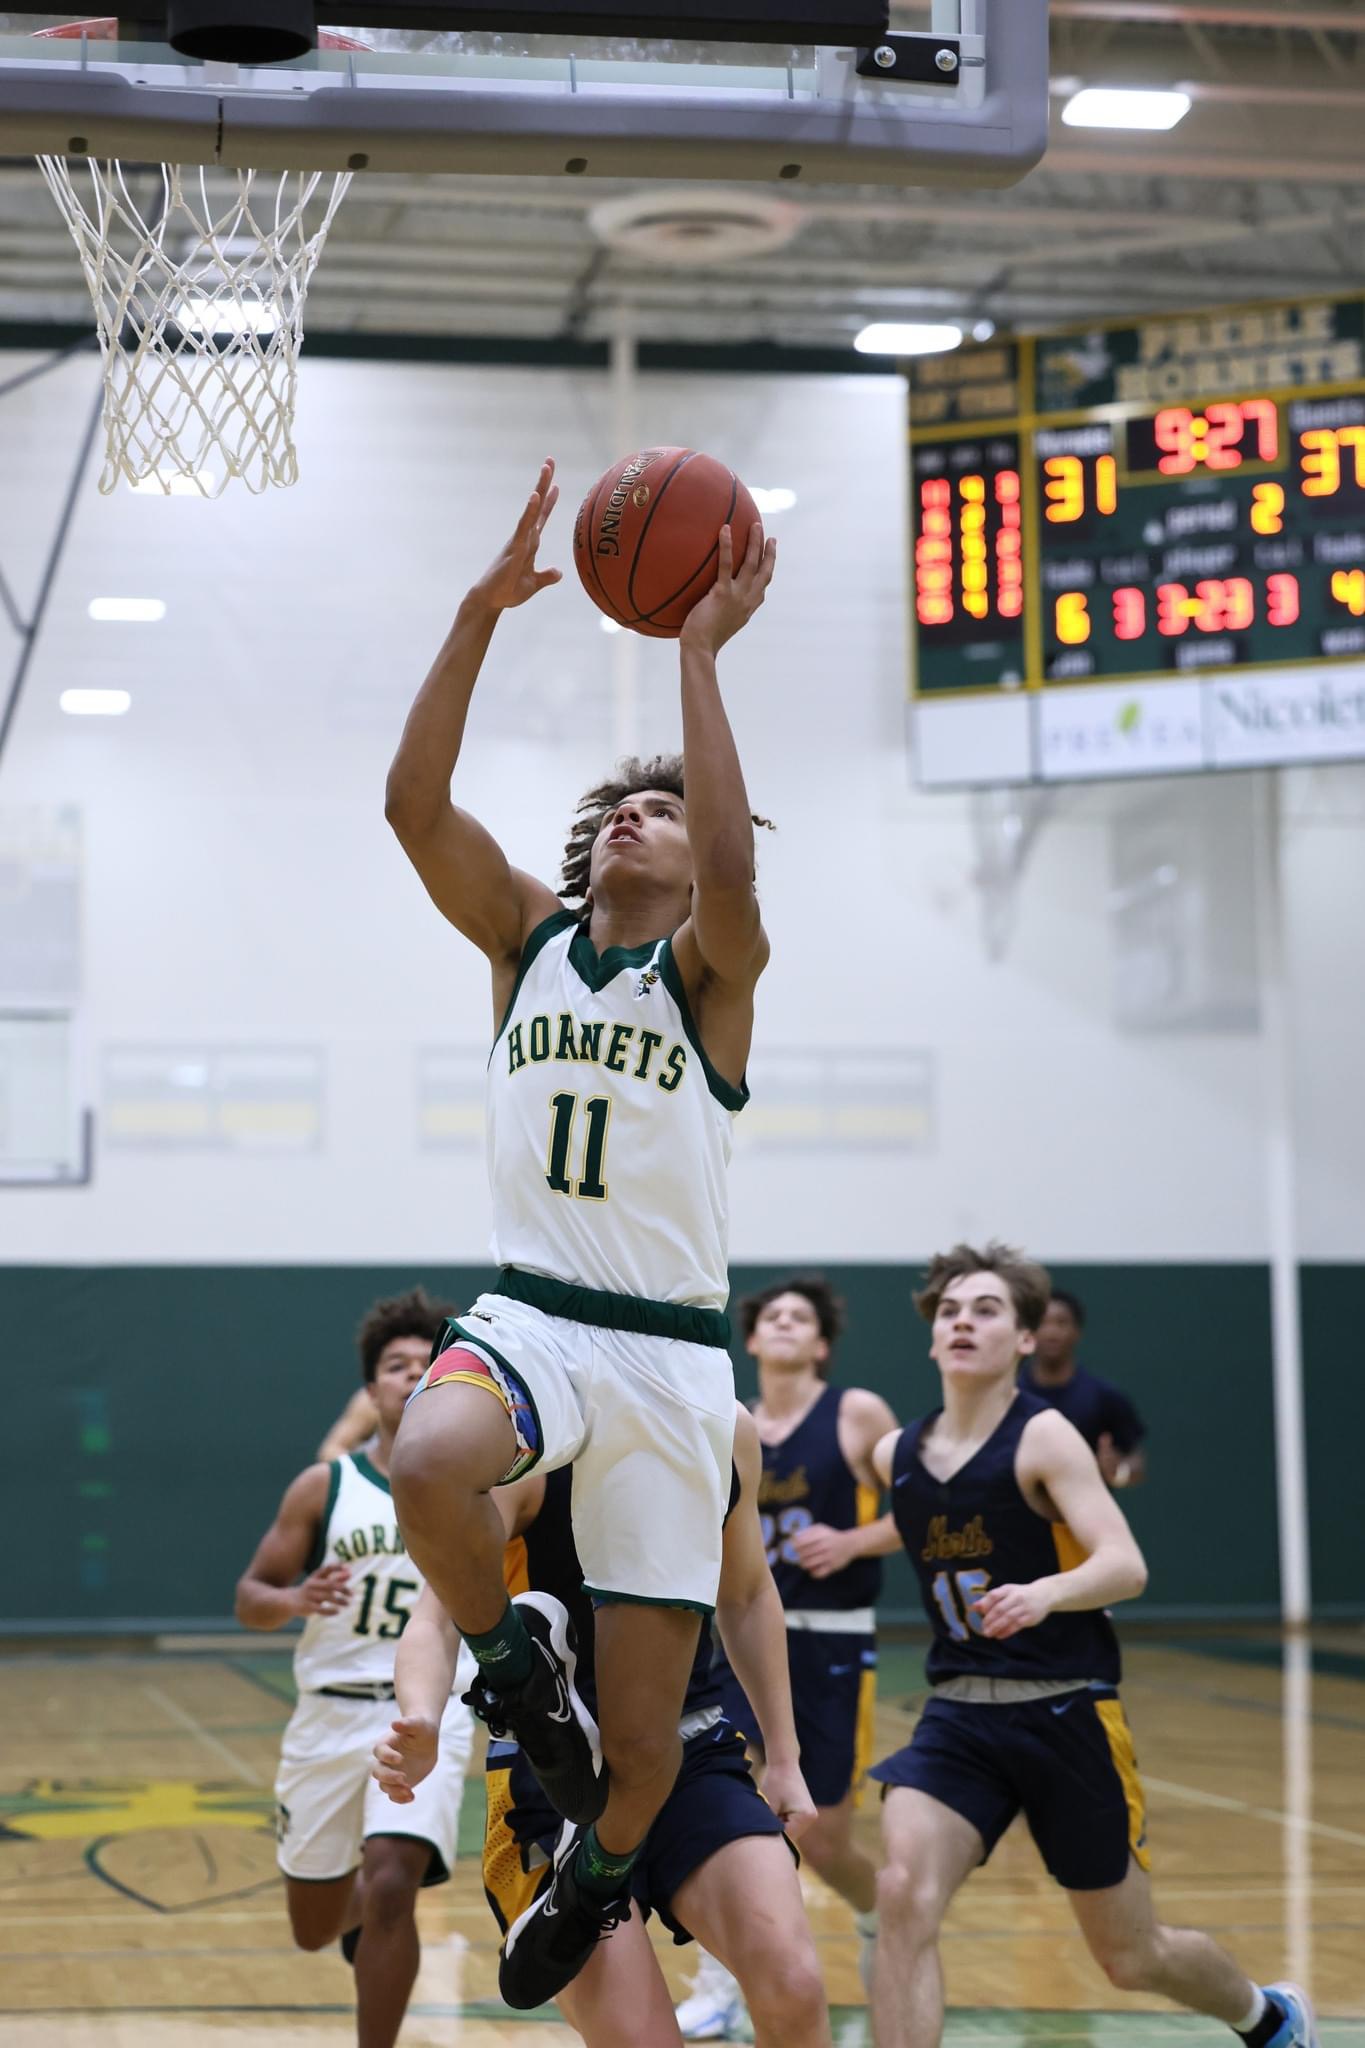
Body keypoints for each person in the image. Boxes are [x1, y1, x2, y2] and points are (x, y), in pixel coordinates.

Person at [383, 458, 777, 2009]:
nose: (636, 811)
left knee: (635, 1757)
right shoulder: (524, 946)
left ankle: (598, 1877)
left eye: (664, 805)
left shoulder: (713, 974)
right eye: (618, 802)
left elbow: (737, 866)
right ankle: (504, 1661)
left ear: (696, 857)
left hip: (673, 1363)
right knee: (425, 1462)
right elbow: (413, 808)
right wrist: (479, 615)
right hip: (538, 1315)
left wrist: (696, 653)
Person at [867, 1242, 1319, 2048]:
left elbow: (1124, 1564)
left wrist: (1045, 1592)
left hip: (1064, 1713)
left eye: (987, 1309)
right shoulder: (894, 1454)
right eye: (949, 1311)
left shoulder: (1044, 1438)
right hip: (957, 1720)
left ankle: (1267, 2015)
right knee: (901, 1894)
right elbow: (924, 1525)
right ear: (932, 1339)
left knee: (1128, 1955)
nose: (963, 1321)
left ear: (1025, 1339)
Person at [375, 1402, 831, 2046]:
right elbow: (437, 1614)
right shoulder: (531, 1441)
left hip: (689, 1750)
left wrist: (783, 1756)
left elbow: (748, 1593)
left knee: (795, 1987)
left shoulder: (726, 1426)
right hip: (554, 1778)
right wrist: (420, 1714)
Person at [234, 1288, 475, 2048]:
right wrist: (296, 1598)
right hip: (328, 1712)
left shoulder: (477, 1486)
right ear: (370, 1392)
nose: (409, 1375)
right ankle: (359, 1905)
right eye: (393, 1366)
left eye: (423, 1364)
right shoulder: (325, 1486)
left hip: (425, 1711)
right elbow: (249, 1598)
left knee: (396, 1881)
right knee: (313, 1926)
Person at [678, 1273, 900, 2040]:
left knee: (824, 1834)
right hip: (740, 1637)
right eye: (769, 1315)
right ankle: (719, 1983)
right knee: (734, 1803)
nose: (781, 1324)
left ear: (822, 1343)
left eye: (798, 1316)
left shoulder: (855, 1413)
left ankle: (875, 1915)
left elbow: (925, 1506)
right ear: (748, 1338)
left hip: (832, 1640)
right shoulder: (728, 1421)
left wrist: (853, 1539)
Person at [1022, 1286, 1147, 1488]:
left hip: (1084, 1515)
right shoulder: (1007, 1395)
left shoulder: (1105, 1397)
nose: (1052, 1332)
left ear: (1077, 1332)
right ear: (1029, 1333)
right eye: (1043, 1323)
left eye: (1061, 1323)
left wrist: (1119, 1472)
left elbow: (1135, 1462)